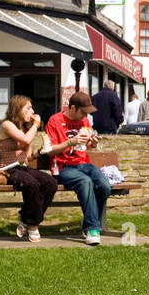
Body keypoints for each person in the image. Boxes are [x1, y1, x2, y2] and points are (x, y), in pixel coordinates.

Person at [44, 92, 108, 245]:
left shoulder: (84, 121)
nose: (86, 116)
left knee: (104, 185)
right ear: (73, 108)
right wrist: (70, 142)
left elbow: (85, 146)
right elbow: (50, 150)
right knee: (85, 182)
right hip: (63, 167)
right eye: (83, 112)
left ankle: (89, 222)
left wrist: (93, 143)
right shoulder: (55, 121)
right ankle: (92, 228)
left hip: (84, 163)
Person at [0, 95, 58, 242]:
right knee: (32, 184)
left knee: (51, 183)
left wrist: (40, 152)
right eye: (28, 108)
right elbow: (25, 139)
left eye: (32, 107)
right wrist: (36, 126)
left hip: (22, 167)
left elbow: (27, 156)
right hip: (8, 169)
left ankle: (27, 219)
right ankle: (33, 226)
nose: (32, 111)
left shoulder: (24, 128)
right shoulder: (7, 125)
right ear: (17, 109)